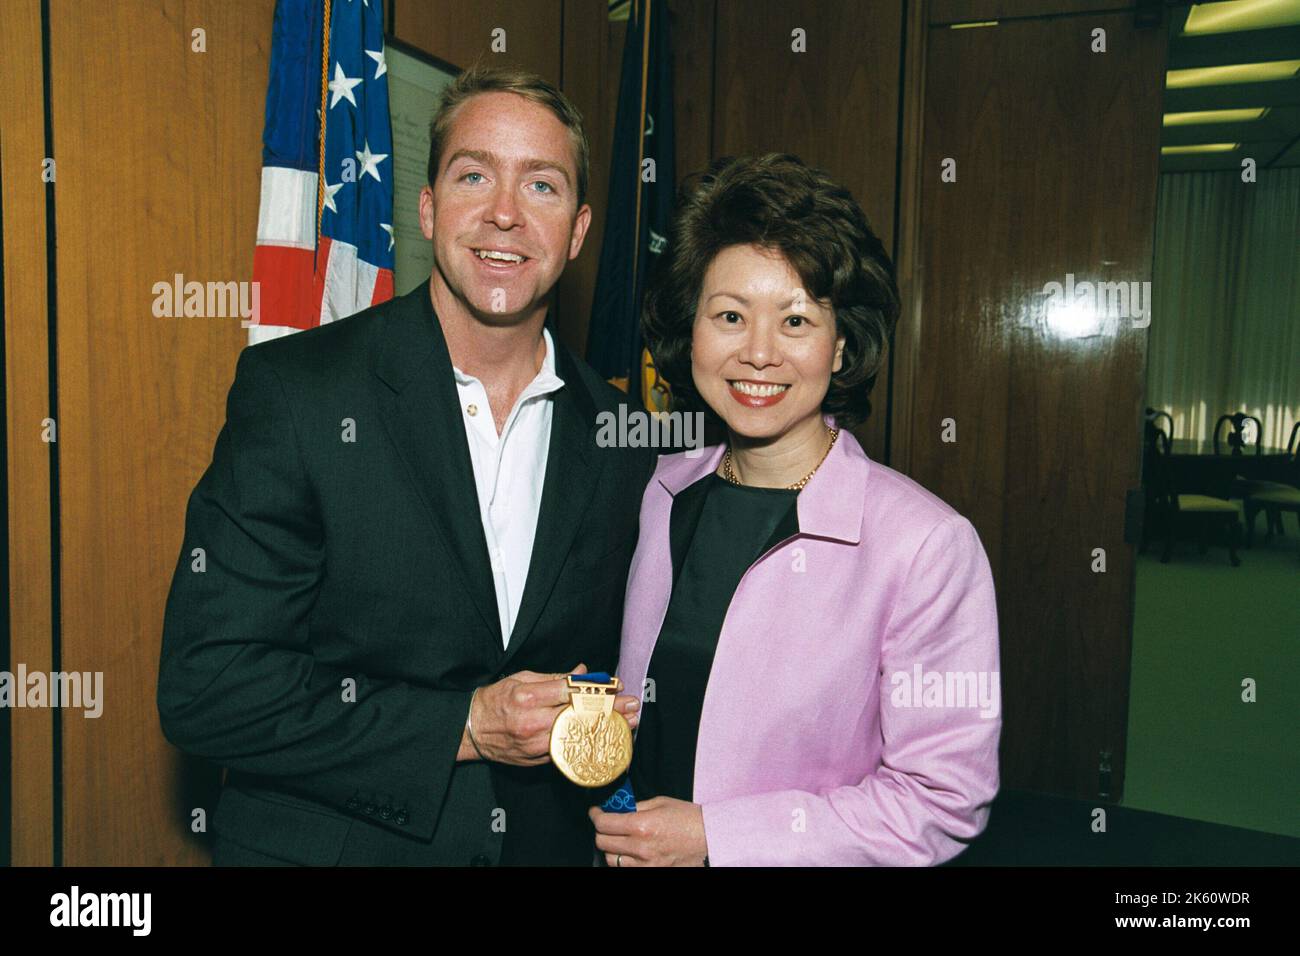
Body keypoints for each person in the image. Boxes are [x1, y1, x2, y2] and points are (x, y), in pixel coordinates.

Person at [158, 66, 652, 866]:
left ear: (580, 229)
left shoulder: (629, 438)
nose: (504, 213)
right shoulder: (299, 395)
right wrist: (463, 725)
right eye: (473, 175)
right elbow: (209, 689)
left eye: (543, 186)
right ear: (427, 209)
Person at [589, 153, 1001, 866]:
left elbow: (942, 801)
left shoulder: (926, 545)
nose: (757, 353)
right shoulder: (658, 489)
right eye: (729, 316)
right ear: (692, 333)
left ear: (841, 347)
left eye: (796, 321)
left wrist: (719, 840)